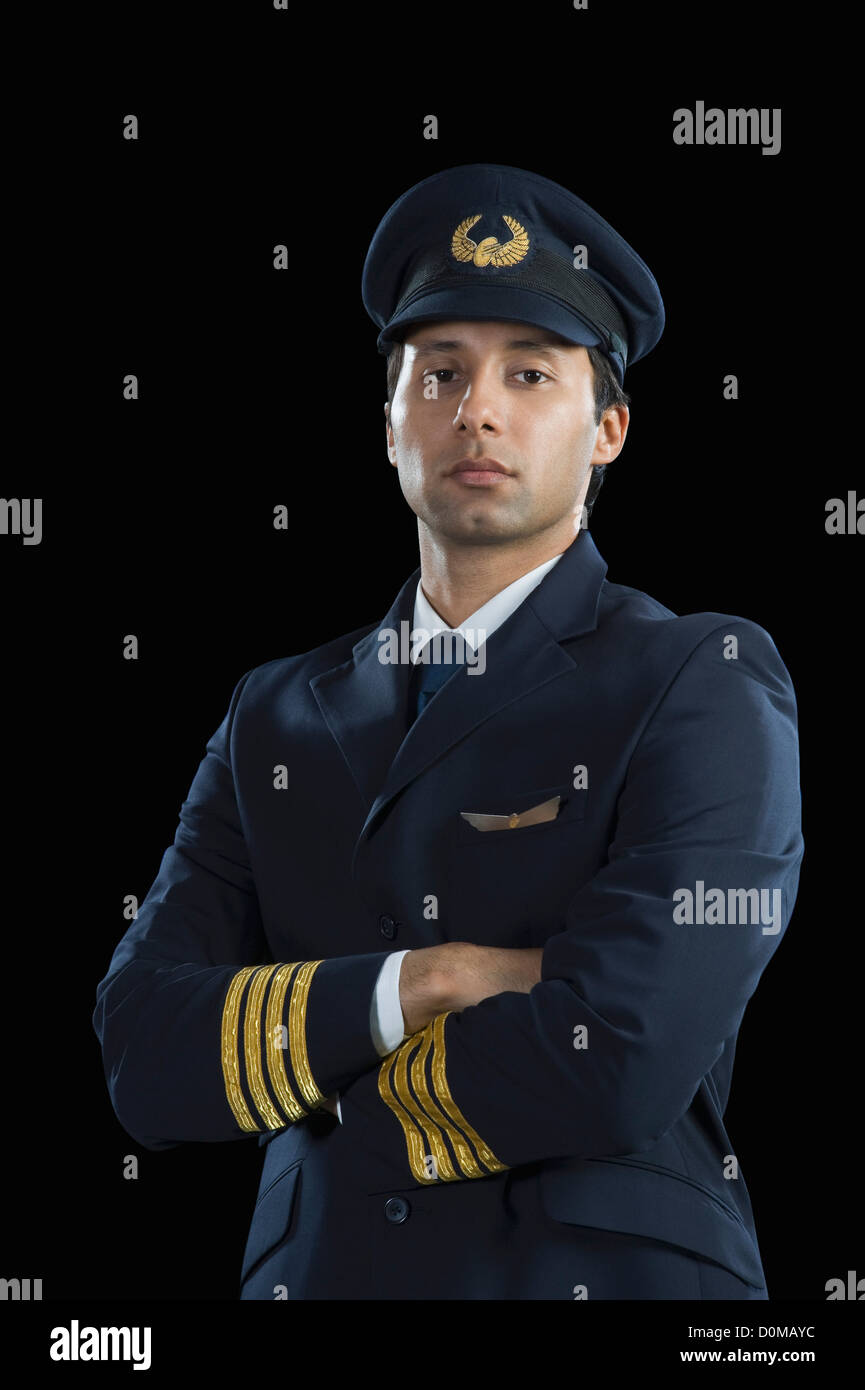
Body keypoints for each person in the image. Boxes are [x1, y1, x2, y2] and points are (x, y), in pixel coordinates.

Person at [93, 163, 803, 1300]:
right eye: (439, 373)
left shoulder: (698, 675)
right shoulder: (272, 707)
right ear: (387, 426)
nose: (476, 408)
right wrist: (425, 981)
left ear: (609, 427)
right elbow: (140, 1051)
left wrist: (301, 1050)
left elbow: (620, 1055)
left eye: (529, 372)